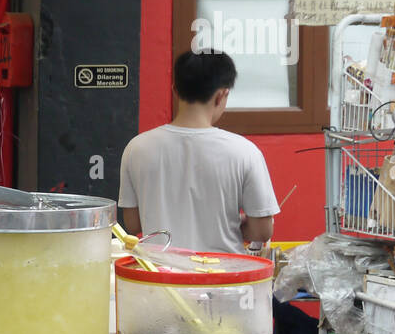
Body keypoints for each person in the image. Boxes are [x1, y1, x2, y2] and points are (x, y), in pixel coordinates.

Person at [118, 51, 279, 254]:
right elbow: (262, 231)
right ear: (221, 95)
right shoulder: (245, 152)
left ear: (175, 90)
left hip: (159, 277)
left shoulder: (137, 148)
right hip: (224, 279)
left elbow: (133, 225)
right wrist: (232, 224)